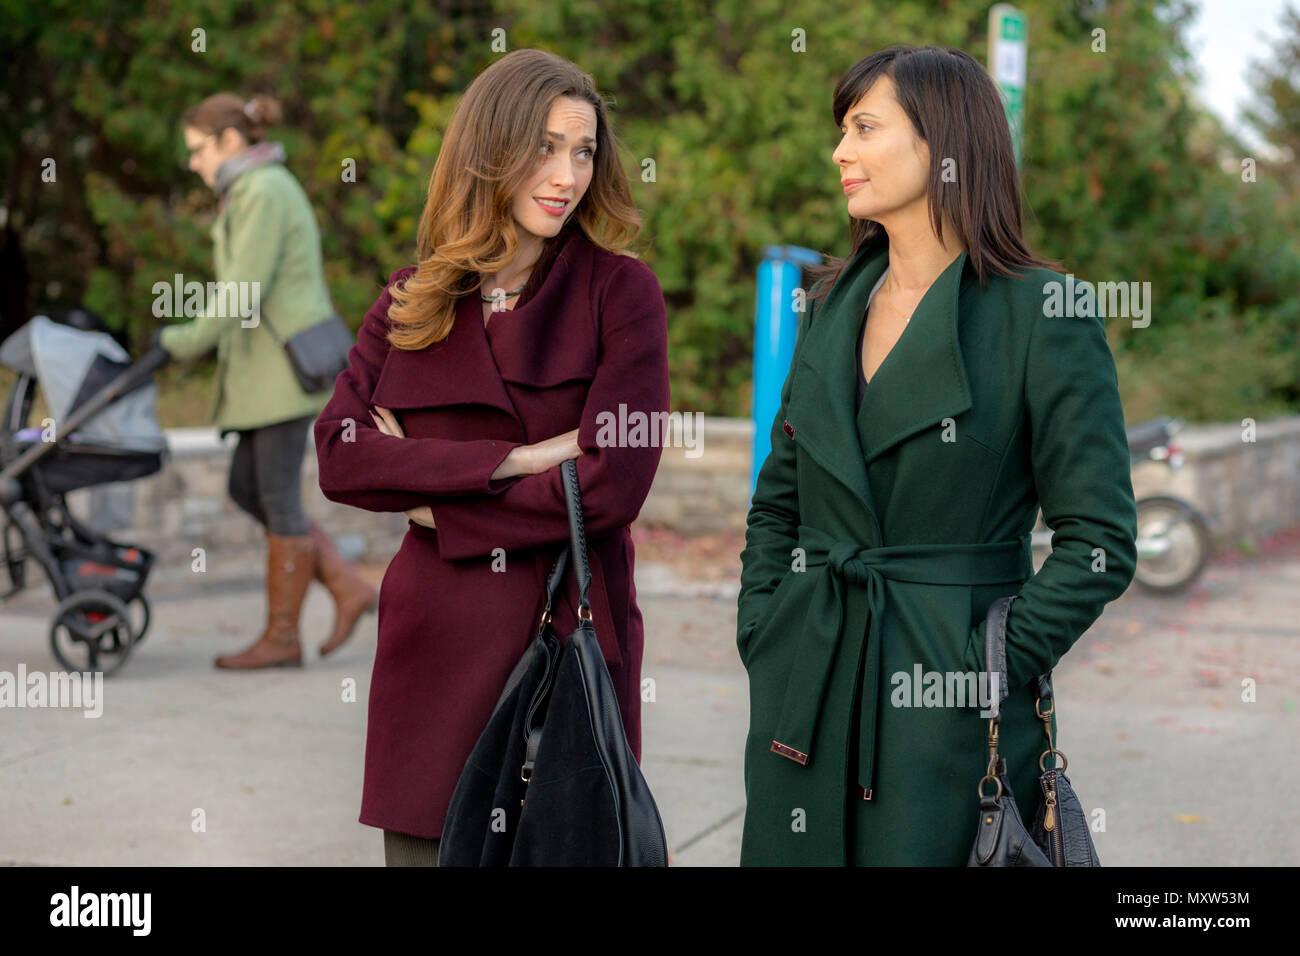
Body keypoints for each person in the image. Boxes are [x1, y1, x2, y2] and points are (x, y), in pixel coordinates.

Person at [736, 45, 1138, 865]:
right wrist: (765, 628)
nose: (840, 152)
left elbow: (1099, 542)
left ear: (941, 142)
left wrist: (983, 667)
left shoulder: (1042, 312)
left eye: (864, 128)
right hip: (805, 687)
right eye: (841, 132)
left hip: (950, 719)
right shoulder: (827, 304)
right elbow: (781, 500)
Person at [314, 49, 670, 867]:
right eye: (546, 146)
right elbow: (340, 457)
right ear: (490, 150)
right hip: (434, 650)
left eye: (583, 151)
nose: (568, 173)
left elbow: (612, 485)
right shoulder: (412, 298)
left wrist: (433, 501)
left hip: (564, 640)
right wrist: (515, 460)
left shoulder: (620, 292)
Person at [159, 92, 378, 670]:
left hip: (280, 373)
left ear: (230, 141)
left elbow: (241, 292)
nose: (193, 163)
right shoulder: (256, 187)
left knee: (275, 497)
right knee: (246, 488)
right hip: (265, 376)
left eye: (198, 150)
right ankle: (344, 582)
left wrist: (180, 341)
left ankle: (282, 638)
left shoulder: (261, 191)